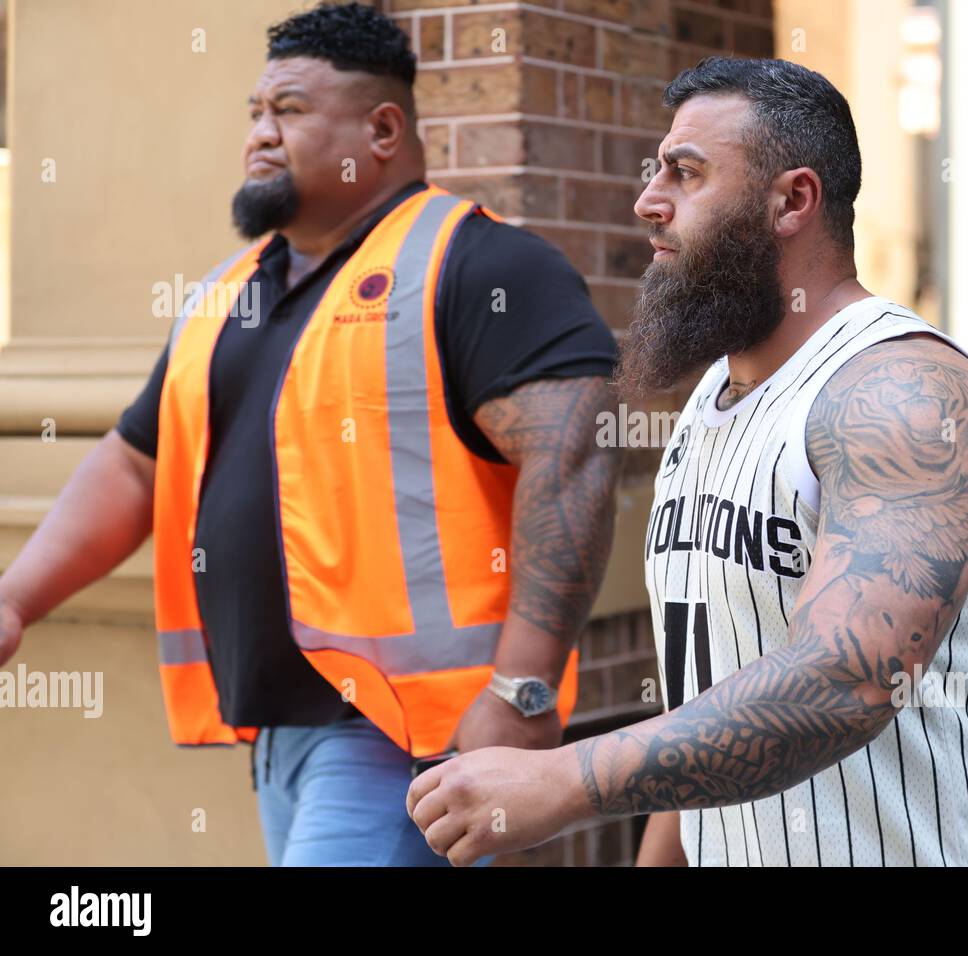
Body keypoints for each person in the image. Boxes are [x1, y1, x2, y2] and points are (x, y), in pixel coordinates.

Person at [0, 2, 621, 867]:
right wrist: (16, 597)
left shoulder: (484, 264)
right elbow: (138, 465)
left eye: (288, 110)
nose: (260, 133)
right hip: (276, 733)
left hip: (407, 737)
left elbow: (573, 458)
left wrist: (521, 689)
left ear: (381, 127)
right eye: (255, 113)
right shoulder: (227, 293)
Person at [408, 56, 968, 867]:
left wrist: (566, 780)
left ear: (793, 200)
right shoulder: (716, 396)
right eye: (658, 172)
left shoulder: (905, 392)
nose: (649, 201)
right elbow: (711, 693)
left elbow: (841, 680)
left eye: (685, 173)